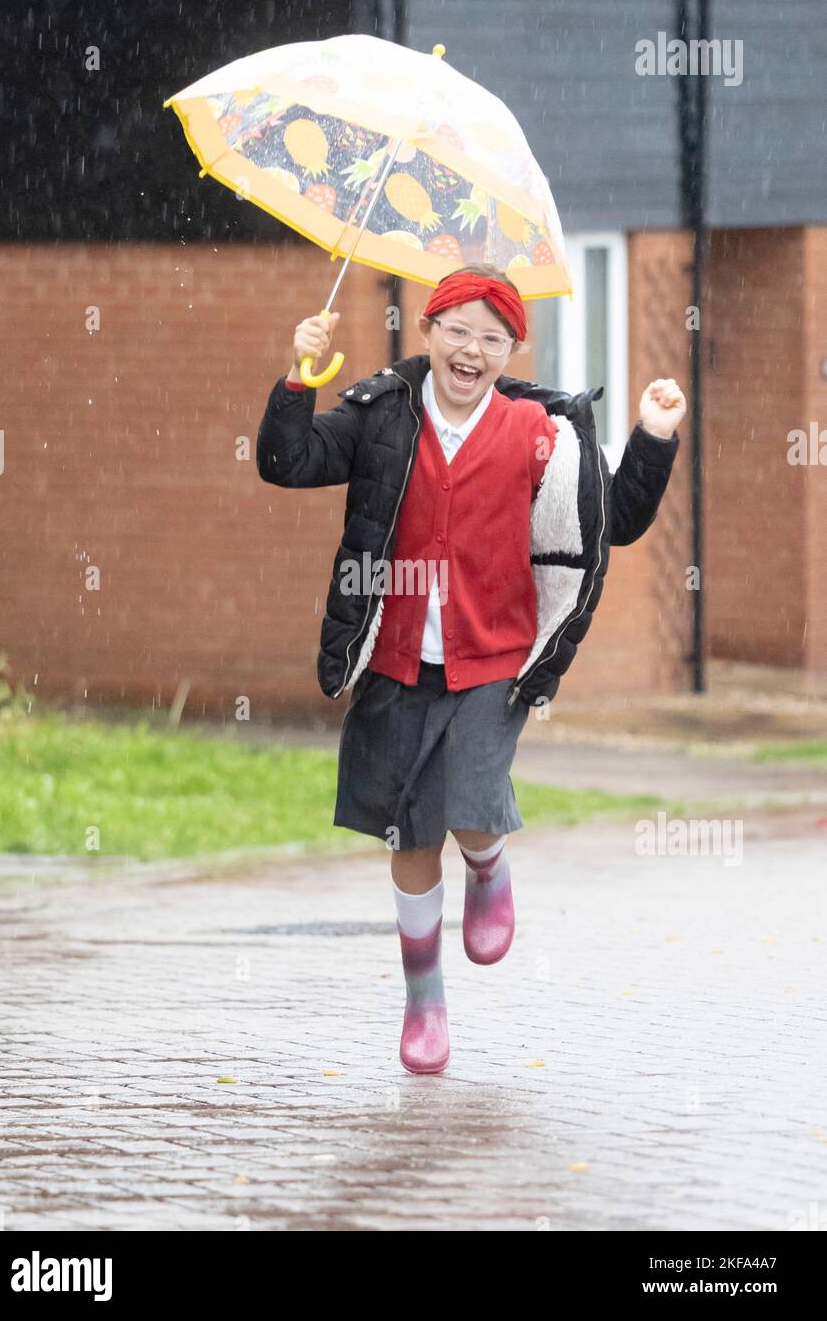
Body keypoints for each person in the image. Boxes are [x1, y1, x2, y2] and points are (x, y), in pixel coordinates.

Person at [256, 263, 686, 1075]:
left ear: (511, 350)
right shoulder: (382, 416)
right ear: (427, 333)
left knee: (471, 799)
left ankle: (489, 865)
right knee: (407, 832)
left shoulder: (540, 433)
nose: (472, 350)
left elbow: (616, 521)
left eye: (492, 338)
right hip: (392, 660)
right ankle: (425, 1002)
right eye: (457, 331)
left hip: (492, 660)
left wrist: (654, 438)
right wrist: (295, 379)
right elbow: (287, 462)